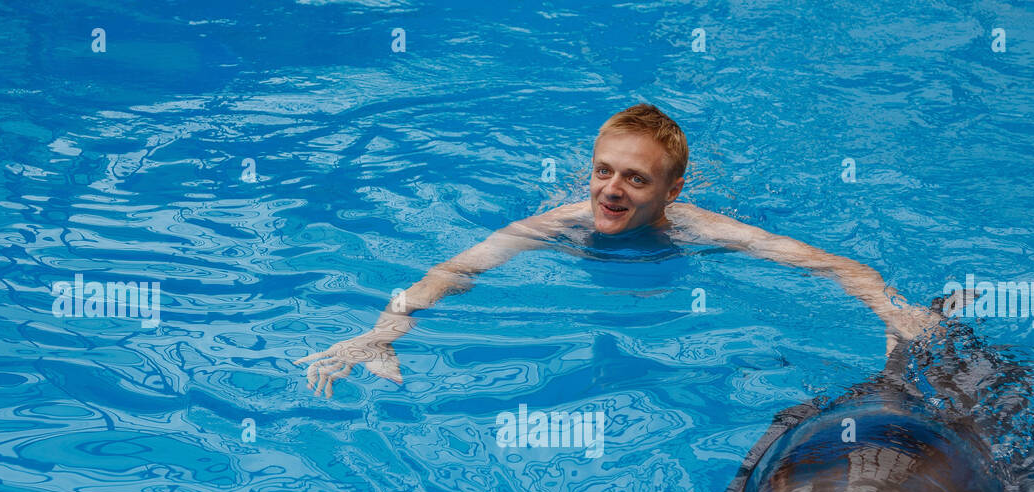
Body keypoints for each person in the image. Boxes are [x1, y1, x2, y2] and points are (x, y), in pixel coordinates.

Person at [296, 103, 950, 397]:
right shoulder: (563, 222)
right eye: (603, 170)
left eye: (635, 178)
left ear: (671, 189)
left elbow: (827, 262)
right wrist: (381, 334)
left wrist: (893, 310)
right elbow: (457, 269)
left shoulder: (696, 228)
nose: (610, 191)